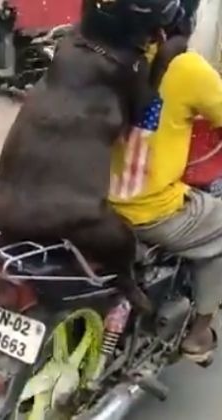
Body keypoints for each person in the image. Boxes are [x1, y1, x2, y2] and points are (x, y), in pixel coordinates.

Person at [108, 2, 222, 362]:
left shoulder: (106, 54)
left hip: (90, 198)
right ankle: (200, 333)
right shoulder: (187, 68)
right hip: (149, 212)